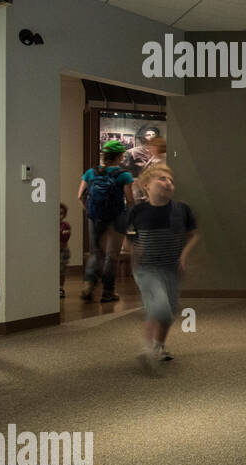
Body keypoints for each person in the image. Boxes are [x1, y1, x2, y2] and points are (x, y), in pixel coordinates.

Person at [126, 165, 199, 367]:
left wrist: (184, 256)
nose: (168, 183)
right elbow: (130, 239)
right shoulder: (137, 211)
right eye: (162, 178)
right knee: (160, 307)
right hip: (146, 268)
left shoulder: (181, 209)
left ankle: (159, 345)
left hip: (171, 268)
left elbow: (193, 236)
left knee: (170, 310)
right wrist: (134, 248)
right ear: (146, 186)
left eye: (171, 180)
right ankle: (147, 347)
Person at [78, 141, 136, 302]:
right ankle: (108, 291)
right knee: (112, 255)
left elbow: (80, 195)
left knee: (96, 252)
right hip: (117, 218)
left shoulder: (91, 173)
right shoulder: (124, 175)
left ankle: (88, 286)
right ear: (119, 156)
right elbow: (130, 200)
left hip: (95, 217)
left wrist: (90, 212)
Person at [59, 203, 71, 298]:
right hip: (53, 252)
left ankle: (60, 288)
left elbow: (65, 238)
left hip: (63, 251)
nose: (59, 216)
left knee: (61, 271)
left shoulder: (65, 226)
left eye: (61, 213)